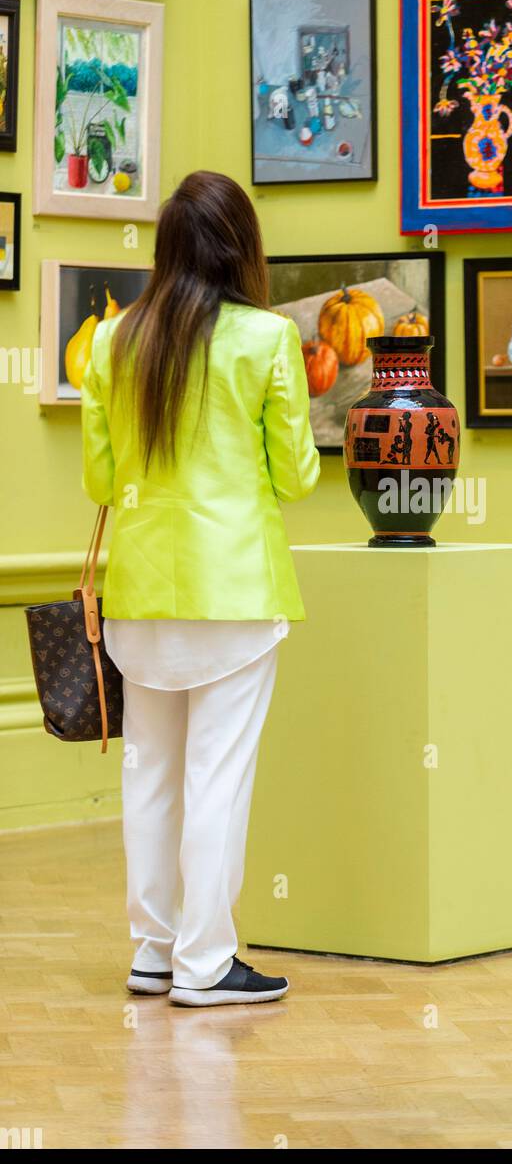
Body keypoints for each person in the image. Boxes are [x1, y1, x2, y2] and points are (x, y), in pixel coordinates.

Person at [81, 171, 320, 1008]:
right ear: (240, 244)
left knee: (150, 776)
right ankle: (206, 963)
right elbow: (294, 477)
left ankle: (153, 952)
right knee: (217, 775)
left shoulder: (113, 341)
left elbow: (100, 477)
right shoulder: (265, 338)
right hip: (235, 596)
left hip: (140, 594)